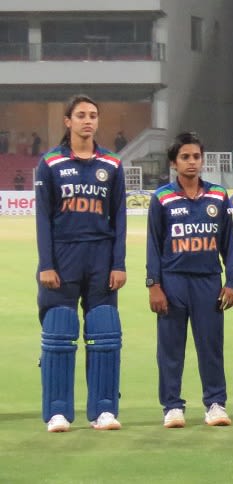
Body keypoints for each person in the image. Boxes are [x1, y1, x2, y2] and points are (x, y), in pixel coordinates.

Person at [34, 95, 127, 432]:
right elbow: (43, 218)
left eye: (93, 115)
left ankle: (104, 411)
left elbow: (119, 217)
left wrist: (119, 263)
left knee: (105, 332)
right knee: (59, 331)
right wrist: (47, 263)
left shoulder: (113, 164)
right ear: (67, 121)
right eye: (81, 115)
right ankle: (57, 412)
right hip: (63, 255)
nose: (88, 121)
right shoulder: (51, 163)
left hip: (101, 256)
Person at [147, 132, 233, 428]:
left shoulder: (217, 195)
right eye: (185, 157)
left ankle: (215, 404)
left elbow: (228, 243)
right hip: (172, 281)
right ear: (174, 163)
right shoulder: (162, 197)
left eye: (196, 157)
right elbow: (154, 243)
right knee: (170, 348)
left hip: (208, 281)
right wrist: (154, 284)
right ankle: (172, 406)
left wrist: (232, 281)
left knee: (211, 346)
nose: (192, 162)